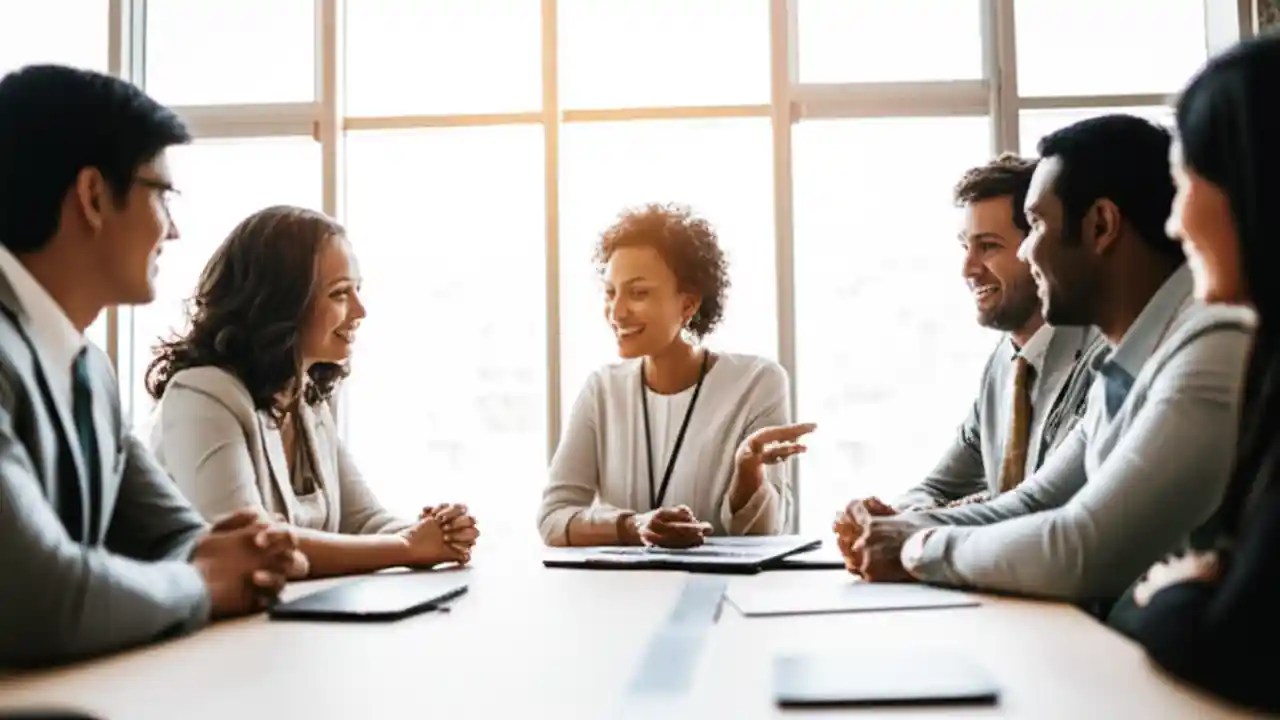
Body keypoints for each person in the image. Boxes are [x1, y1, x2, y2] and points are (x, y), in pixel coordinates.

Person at [845, 115, 1253, 609]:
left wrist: (918, 547)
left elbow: (1080, 547)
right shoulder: (1125, 363)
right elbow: (1034, 502)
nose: (1028, 251)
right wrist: (898, 528)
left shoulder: (1209, 340)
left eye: (1035, 225)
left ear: (1100, 225)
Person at [0, 65, 304, 666]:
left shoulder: (91, 370)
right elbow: (39, 598)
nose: (175, 228)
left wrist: (247, 554)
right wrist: (207, 582)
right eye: (163, 194)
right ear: (92, 196)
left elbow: (174, 536)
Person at [146, 205, 479, 578]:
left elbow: (364, 521)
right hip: (210, 633)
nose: (360, 310)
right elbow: (251, 547)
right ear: (282, 304)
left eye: (357, 291)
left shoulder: (304, 399)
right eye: (340, 294)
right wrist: (406, 547)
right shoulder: (202, 394)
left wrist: (436, 534)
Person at [1108, 35, 1280, 713]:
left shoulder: (1215, 345)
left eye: (1183, 185)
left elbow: (1235, 647)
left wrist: (1171, 596)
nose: (1175, 222)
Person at [834, 155, 1103, 570]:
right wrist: (892, 518)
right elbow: (938, 487)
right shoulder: (1003, 367)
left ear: (1038, 245)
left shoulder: (1099, 354)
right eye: (965, 246)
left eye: (988, 247)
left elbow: (1041, 507)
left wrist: (911, 532)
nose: (968, 268)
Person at [538, 203, 814, 548]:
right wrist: (632, 525)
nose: (617, 311)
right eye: (611, 292)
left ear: (688, 304)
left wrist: (747, 473)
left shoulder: (757, 382)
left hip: (723, 593)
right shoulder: (601, 390)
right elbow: (553, 518)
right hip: (620, 595)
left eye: (638, 293)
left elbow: (765, 536)